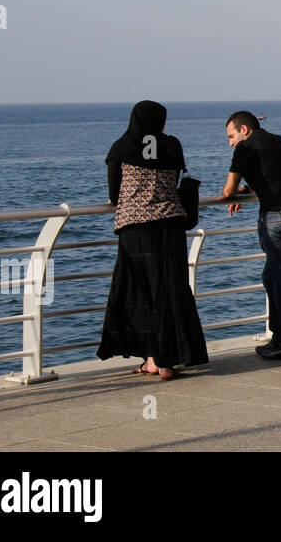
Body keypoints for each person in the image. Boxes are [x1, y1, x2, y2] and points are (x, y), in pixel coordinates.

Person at [97, 101, 208, 380]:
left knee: (140, 293)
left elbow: (114, 194)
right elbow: (177, 178)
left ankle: (152, 359)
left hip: (135, 231)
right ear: (161, 121)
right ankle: (163, 362)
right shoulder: (172, 145)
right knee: (169, 291)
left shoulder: (121, 147)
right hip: (169, 228)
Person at [221, 111, 281, 360]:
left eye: (231, 136)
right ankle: (279, 338)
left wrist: (236, 193)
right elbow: (274, 178)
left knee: (279, 280)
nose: (231, 142)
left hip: (275, 218)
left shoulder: (245, 149)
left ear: (244, 129)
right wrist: (249, 189)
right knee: (272, 277)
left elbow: (228, 191)